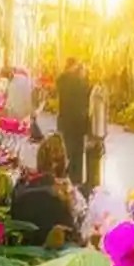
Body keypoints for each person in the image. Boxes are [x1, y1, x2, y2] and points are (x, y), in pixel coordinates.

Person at [9, 134, 84, 247]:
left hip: (25, 252)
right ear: (64, 162)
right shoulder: (63, 196)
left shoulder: (20, 189)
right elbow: (74, 237)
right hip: (55, 255)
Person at [56, 58, 90, 186]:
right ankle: (76, 180)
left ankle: (66, 178)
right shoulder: (79, 81)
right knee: (77, 153)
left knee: (67, 151)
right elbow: (86, 95)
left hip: (66, 121)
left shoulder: (63, 80)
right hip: (78, 122)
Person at [86, 81, 108, 193]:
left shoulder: (97, 97)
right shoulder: (98, 98)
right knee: (94, 162)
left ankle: (93, 184)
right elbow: (98, 119)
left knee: (94, 162)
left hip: (96, 136)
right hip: (96, 135)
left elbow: (98, 118)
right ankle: (94, 185)